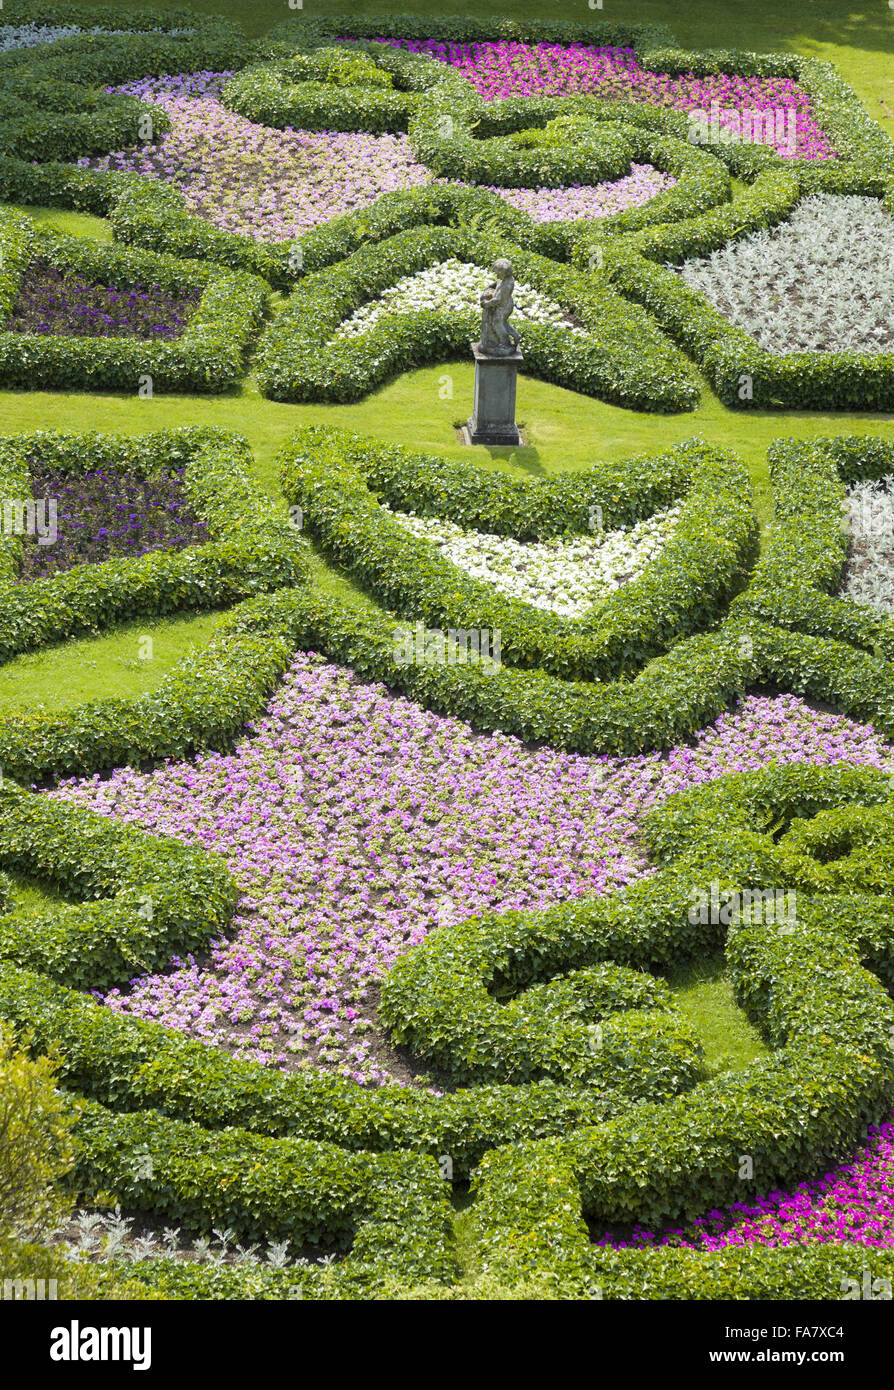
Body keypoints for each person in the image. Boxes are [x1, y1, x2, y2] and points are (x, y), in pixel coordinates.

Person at [477, 258, 520, 356]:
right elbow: (497, 282)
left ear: (504, 272)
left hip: (503, 307)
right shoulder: (504, 279)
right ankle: (515, 335)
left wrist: (486, 304)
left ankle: (505, 344)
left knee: (497, 323)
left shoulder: (507, 285)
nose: (496, 275)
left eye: (498, 272)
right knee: (503, 323)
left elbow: (497, 300)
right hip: (503, 304)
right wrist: (490, 286)